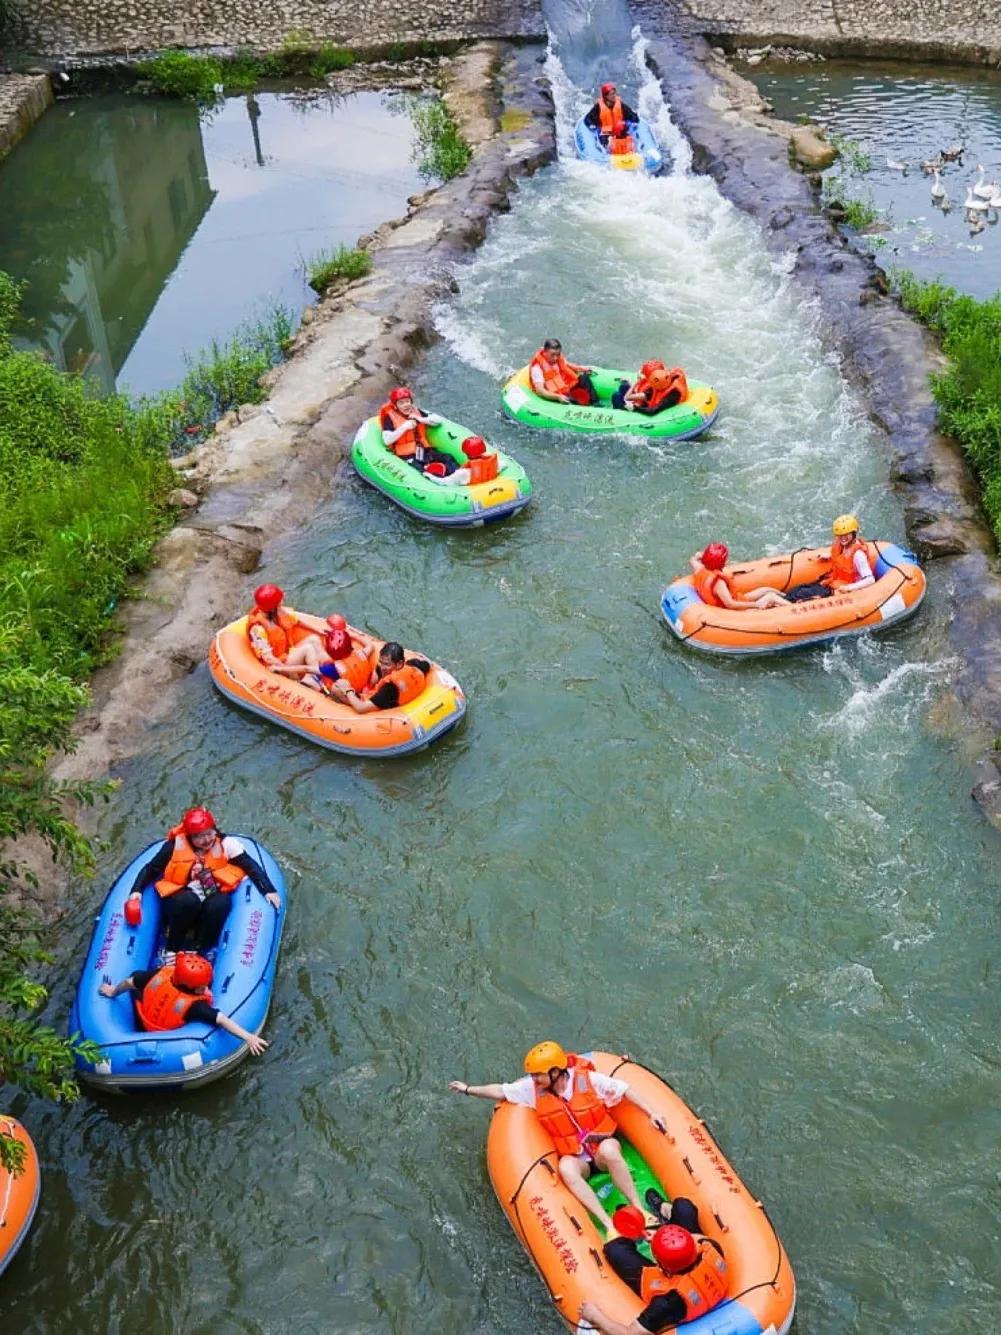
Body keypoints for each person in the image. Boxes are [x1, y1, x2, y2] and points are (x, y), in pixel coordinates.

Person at [449, 1042, 668, 1236]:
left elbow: (625, 1089)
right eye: (532, 1075)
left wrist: (652, 1113)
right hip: (579, 1158)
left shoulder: (588, 1080)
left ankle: (639, 1209)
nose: (533, 1079)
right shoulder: (533, 1090)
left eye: (538, 1075)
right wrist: (468, 1089)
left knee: (610, 1150)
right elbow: (500, 1091)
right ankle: (608, 1224)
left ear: (555, 1072)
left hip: (601, 1148)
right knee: (566, 1168)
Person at [124, 807, 281, 960]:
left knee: (221, 902)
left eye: (209, 834)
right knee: (188, 901)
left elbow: (250, 866)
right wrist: (136, 891)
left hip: (209, 897)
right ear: (190, 836)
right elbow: (151, 869)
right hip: (181, 901)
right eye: (199, 837)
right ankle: (172, 948)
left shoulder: (227, 845)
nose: (206, 840)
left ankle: (199, 949)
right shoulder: (173, 847)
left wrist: (268, 890)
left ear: (215, 830)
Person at [580, 1212, 728, 1334]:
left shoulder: (665, 1303)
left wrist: (595, 1316)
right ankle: (665, 1208)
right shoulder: (712, 1248)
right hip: (692, 1281)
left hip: (675, 1296)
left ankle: (630, 1240)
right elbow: (696, 1238)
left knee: (615, 1248)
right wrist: (659, 1235)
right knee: (682, 1206)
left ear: (661, 1266)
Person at [99, 951, 269, 1055]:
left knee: (136, 975)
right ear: (194, 989)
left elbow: (129, 983)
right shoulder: (196, 1007)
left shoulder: (161, 974)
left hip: (144, 1021)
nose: (205, 989)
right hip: (168, 1034)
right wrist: (249, 1037)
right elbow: (222, 1019)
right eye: (203, 987)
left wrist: (113, 991)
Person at [247, 583, 328, 690]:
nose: (282, 601)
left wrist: (318, 630)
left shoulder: (277, 612)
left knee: (314, 639)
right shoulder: (258, 629)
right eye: (280, 601)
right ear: (273, 607)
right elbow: (269, 658)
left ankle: (325, 667)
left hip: (287, 653)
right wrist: (289, 672)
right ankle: (311, 679)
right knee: (308, 649)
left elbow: (296, 621)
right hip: (278, 663)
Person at [783, 513, 877, 603]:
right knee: (797, 590)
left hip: (841, 589)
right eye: (840, 535)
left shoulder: (858, 555)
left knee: (801, 594)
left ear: (853, 534)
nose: (842, 538)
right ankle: (779, 599)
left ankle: (777, 603)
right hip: (832, 582)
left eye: (846, 534)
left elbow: (870, 579)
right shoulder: (842, 546)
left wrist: (849, 588)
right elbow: (842, 559)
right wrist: (829, 557)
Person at [379, 387, 465, 479]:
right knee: (422, 473)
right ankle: (435, 477)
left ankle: (458, 477)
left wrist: (421, 419)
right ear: (395, 406)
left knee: (448, 458)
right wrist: (404, 427)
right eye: (401, 403)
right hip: (407, 456)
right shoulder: (389, 418)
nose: (406, 405)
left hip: (424, 451)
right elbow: (387, 440)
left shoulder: (416, 411)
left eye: (407, 401)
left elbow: (438, 420)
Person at [327, 640, 431, 712]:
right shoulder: (413, 665)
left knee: (336, 687)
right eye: (381, 662)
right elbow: (427, 664)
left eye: (387, 664)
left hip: (379, 702)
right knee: (379, 669)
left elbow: (360, 708)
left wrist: (347, 689)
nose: (382, 667)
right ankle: (370, 687)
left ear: (399, 664)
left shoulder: (389, 689)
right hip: (393, 693)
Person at [690, 543, 790, 610]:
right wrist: (756, 605)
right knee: (771, 597)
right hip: (733, 612)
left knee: (766, 589)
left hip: (737, 599)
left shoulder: (699, 568)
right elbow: (730, 604)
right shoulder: (719, 583)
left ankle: (787, 597)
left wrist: (699, 556)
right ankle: (795, 608)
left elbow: (692, 559)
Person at [529, 339, 599, 406]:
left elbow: (567, 364)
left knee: (584, 378)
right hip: (554, 394)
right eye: (552, 355)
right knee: (573, 400)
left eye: (558, 354)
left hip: (564, 388)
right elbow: (540, 391)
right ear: (545, 352)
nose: (555, 358)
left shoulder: (557, 358)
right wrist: (557, 397)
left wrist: (581, 368)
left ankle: (595, 403)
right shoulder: (537, 368)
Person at [613, 364, 688, 414]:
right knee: (623, 387)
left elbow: (653, 411)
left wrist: (635, 408)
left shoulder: (671, 395)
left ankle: (617, 415)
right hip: (643, 401)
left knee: (616, 396)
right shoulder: (665, 380)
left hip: (644, 408)